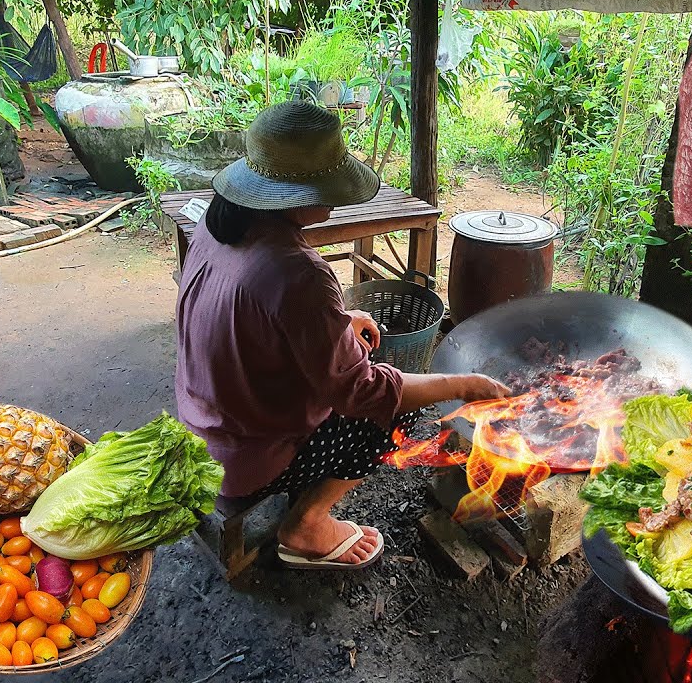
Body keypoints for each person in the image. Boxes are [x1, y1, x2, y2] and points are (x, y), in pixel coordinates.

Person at [175, 102, 508, 571]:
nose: (337, 198)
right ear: (293, 195)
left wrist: (339, 320)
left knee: (378, 383)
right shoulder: (299, 273)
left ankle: (303, 509)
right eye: (326, 187)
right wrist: (461, 385)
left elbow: (254, 319)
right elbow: (362, 393)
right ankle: (305, 525)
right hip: (241, 456)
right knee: (393, 414)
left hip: (200, 419)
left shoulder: (217, 225)